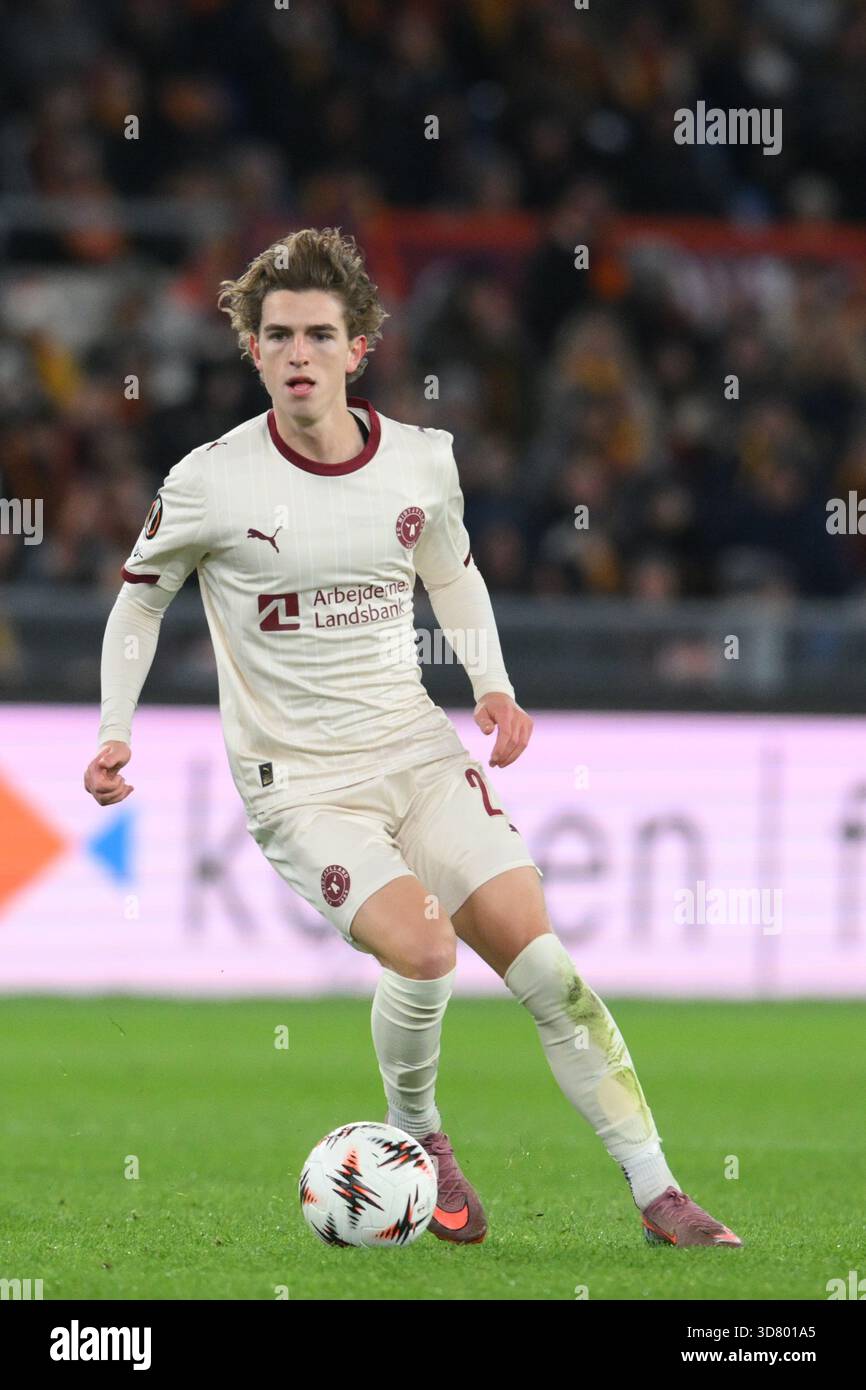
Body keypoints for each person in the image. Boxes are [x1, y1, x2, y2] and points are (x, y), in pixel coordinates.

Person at [84, 227, 742, 1249]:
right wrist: (114, 731)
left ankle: (658, 1191)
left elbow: (451, 574)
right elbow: (139, 603)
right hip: (302, 785)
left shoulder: (423, 464)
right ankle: (418, 1134)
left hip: (417, 755)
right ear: (251, 352)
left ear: (358, 348)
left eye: (317, 333)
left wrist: (492, 685)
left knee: (547, 971)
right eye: (275, 336)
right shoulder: (211, 480)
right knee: (426, 950)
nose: (295, 353)